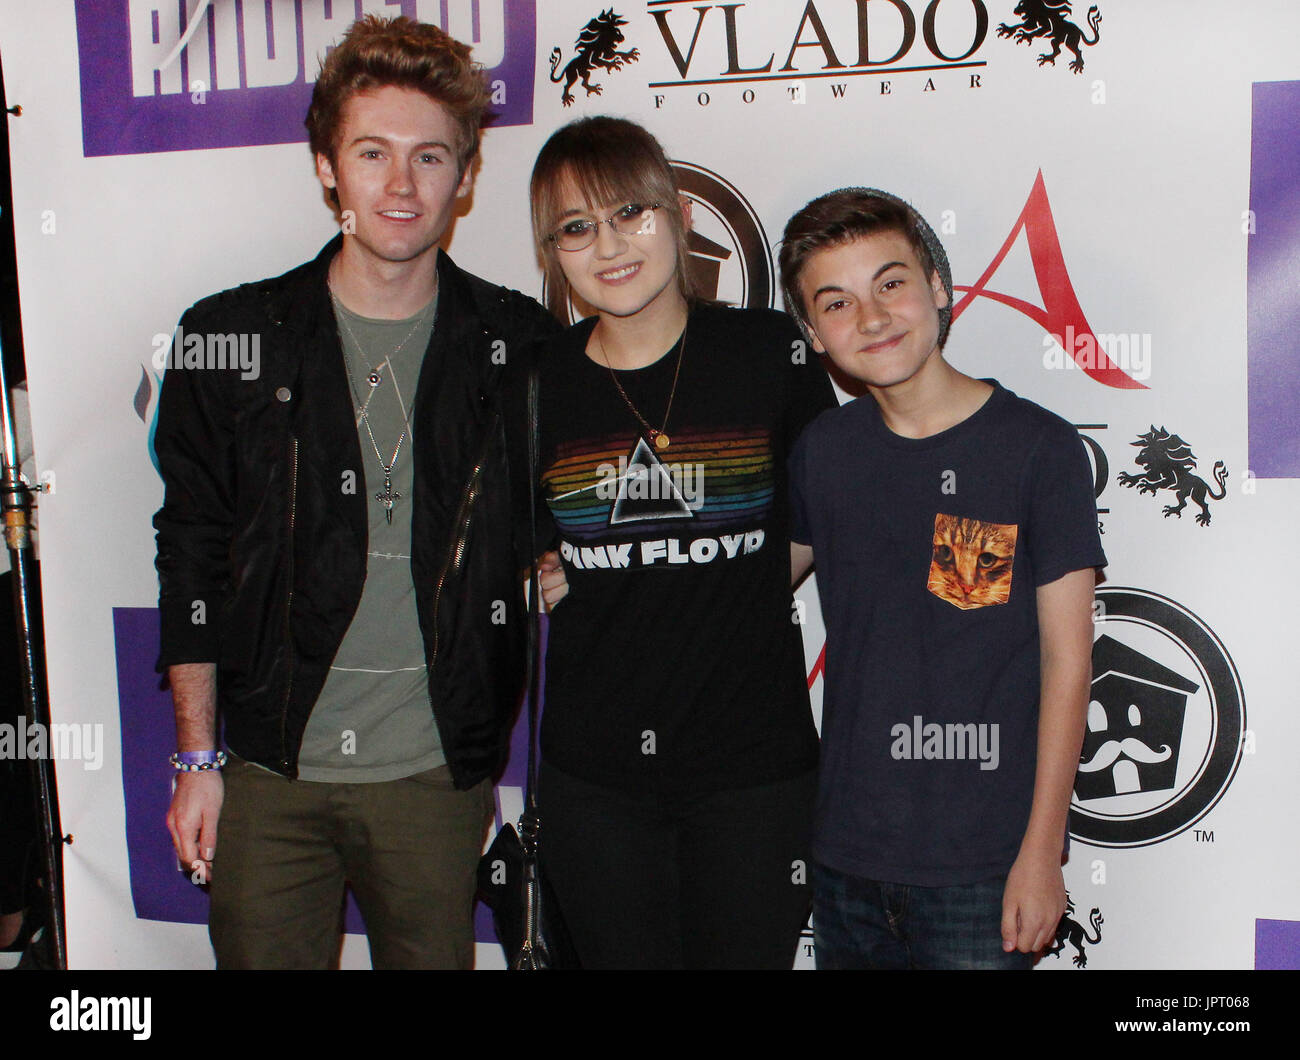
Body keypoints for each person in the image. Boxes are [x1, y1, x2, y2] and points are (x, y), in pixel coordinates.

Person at [153, 15, 557, 969]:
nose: (402, 185)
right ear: (328, 166)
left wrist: (558, 562)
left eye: (430, 156)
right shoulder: (234, 339)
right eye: (372, 153)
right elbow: (193, 553)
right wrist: (197, 761)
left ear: (464, 176)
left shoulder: (519, 345)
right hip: (264, 774)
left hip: (434, 778)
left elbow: (569, 515)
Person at [527, 116, 837, 969]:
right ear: (554, 252)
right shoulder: (537, 380)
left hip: (753, 770)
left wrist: (729, 581)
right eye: (577, 228)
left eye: (631, 213)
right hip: (596, 781)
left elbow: (828, 513)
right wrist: (541, 564)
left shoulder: (767, 352)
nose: (610, 246)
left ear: (678, 216)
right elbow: (499, 532)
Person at [778, 187, 1105, 969]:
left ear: (938, 287)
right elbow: (734, 592)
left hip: (984, 868)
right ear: (813, 336)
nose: (872, 317)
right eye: (836, 302)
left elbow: (1069, 663)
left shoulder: (1036, 450)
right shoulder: (823, 453)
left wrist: (1041, 853)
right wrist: (579, 570)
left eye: (890, 283)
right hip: (847, 857)